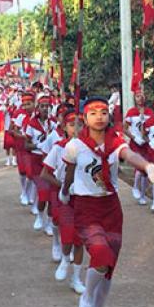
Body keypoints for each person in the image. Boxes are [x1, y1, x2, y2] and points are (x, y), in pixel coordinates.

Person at [61, 96, 154, 307]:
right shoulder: (75, 146)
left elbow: (129, 155)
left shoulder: (116, 142)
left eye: (104, 112)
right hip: (87, 208)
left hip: (111, 208)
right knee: (101, 255)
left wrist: (147, 166)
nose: (99, 116)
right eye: (93, 112)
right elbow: (70, 172)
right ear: (84, 118)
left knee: (108, 270)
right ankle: (85, 298)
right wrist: (65, 192)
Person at [41, 107, 86, 293]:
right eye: (71, 125)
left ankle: (76, 278)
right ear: (64, 127)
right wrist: (62, 187)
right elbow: (45, 173)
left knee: (80, 240)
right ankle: (64, 258)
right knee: (67, 235)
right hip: (65, 198)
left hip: (84, 199)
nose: (76, 128)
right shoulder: (59, 148)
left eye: (80, 124)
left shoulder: (90, 148)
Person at [24, 95, 55, 232]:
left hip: (50, 162)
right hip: (37, 160)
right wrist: (39, 145)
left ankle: (49, 222)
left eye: (47, 106)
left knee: (52, 196)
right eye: (42, 106)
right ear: (38, 108)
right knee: (43, 192)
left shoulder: (53, 124)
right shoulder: (32, 124)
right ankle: (40, 215)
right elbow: (26, 144)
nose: (45, 109)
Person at [123, 91, 154, 206]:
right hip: (136, 143)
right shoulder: (131, 112)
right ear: (134, 98)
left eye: (142, 96)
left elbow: (152, 128)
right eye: (137, 96)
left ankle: (142, 195)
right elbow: (125, 128)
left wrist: (149, 138)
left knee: (145, 171)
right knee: (140, 167)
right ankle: (135, 187)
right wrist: (134, 137)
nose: (140, 98)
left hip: (146, 144)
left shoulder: (150, 112)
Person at [11, 93, 35, 206]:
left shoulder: (37, 116)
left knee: (31, 172)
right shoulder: (19, 115)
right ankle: (24, 191)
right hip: (22, 146)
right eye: (24, 104)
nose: (26, 107)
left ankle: (28, 192)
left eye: (29, 104)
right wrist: (23, 136)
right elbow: (13, 130)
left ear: (34, 103)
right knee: (23, 172)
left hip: (33, 147)